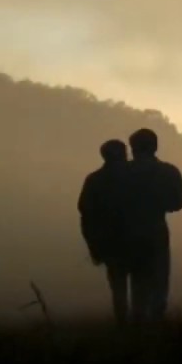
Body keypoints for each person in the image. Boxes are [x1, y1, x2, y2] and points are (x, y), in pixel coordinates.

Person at [123, 128, 182, 321]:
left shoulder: (123, 172)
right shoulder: (168, 171)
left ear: (133, 148)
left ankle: (138, 319)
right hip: (156, 228)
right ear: (155, 146)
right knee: (159, 276)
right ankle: (157, 318)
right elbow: (178, 202)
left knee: (137, 277)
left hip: (130, 231)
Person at [77, 139, 132, 325]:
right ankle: (145, 328)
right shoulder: (137, 176)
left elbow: (86, 216)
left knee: (118, 288)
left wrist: (94, 246)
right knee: (144, 287)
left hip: (111, 244)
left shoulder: (94, 180)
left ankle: (123, 326)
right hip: (142, 241)